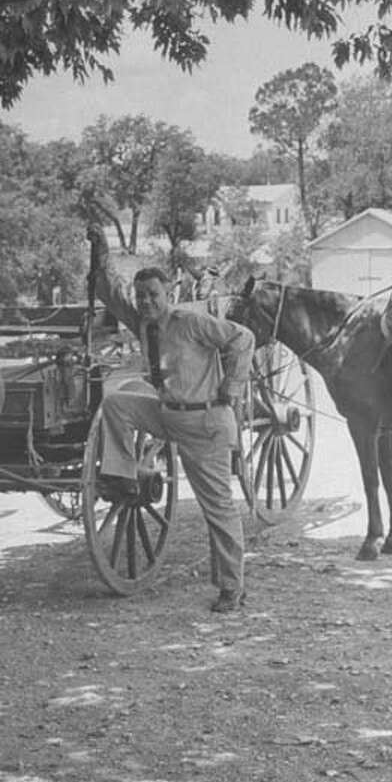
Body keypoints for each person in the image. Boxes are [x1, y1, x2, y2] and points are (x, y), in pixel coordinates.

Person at [86, 227, 255, 613]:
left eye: (153, 295)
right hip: (168, 416)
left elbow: (242, 338)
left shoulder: (190, 322)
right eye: (141, 296)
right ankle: (123, 477)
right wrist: (101, 253)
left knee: (218, 508)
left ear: (168, 295)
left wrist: (231, 386)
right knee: (116, 404)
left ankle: (232, 588)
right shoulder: (144, 326)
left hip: (205, 424)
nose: (146, 302)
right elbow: (112, 295)